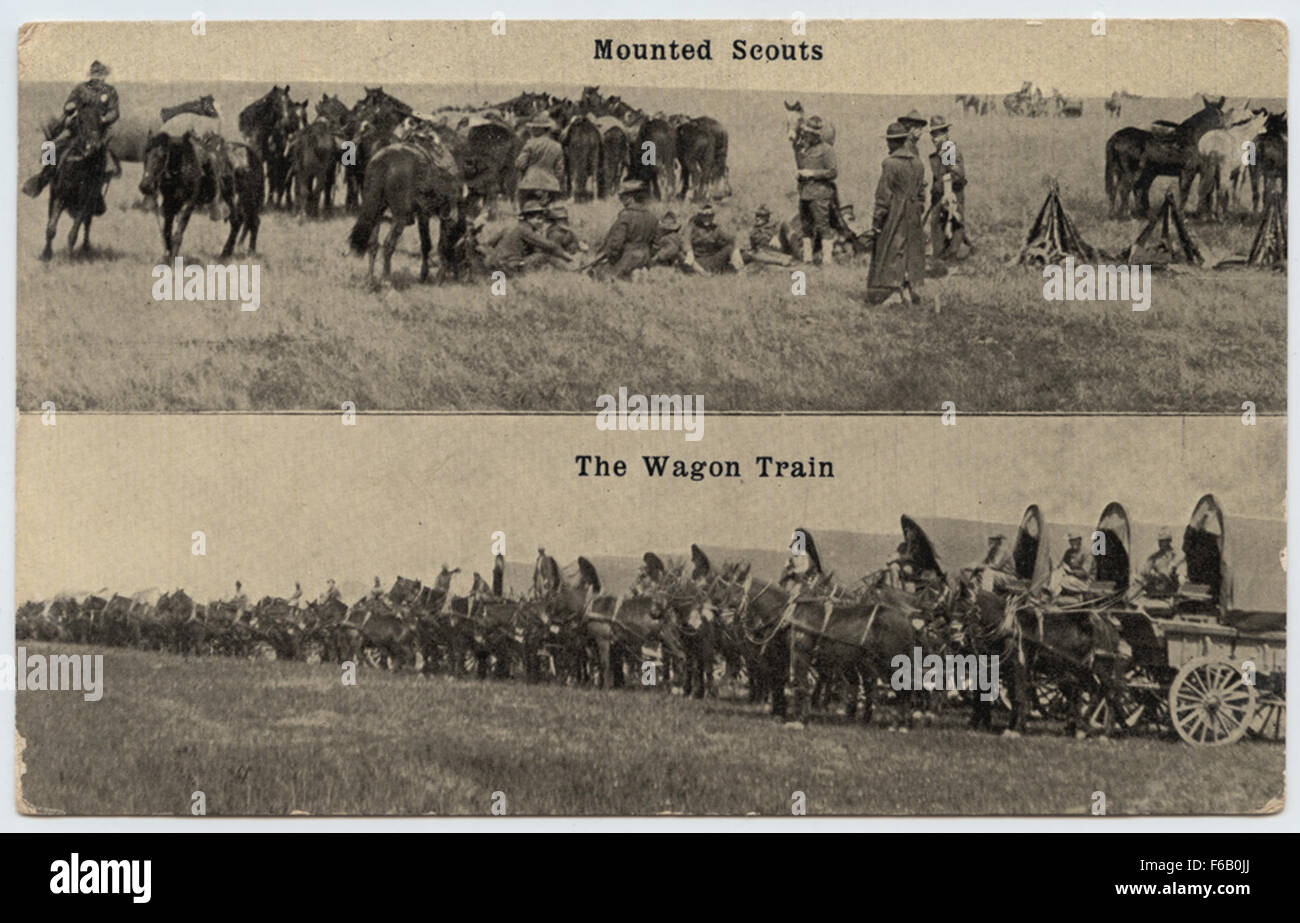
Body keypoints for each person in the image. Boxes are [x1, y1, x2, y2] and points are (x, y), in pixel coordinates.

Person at [23, 60, 120, 211]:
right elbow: (69, 103)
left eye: (101, 75)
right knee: (53, 144)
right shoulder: (80, 89)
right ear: (91, 75)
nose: (98, 78)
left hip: (99, 129)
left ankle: (97, 193)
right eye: (95, 75)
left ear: (104, 76)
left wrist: (104, 119)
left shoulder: (110, 91)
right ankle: (43, 177)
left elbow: (114, 111)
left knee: (107, 159)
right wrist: (69, 106)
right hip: (78, 126)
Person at [866, 122, 927, 306]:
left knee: (892, 250)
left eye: (889, 141)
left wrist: (877, 220)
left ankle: (894, 291)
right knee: (910, 250)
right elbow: (922, 192)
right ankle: (908, 289)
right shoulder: (918, 163)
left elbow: (883, 196)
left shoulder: (890, 164)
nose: (888, 145)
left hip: (895, 213)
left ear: (894, 143)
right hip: (914, 213)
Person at [794, 115, 838, 265]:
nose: (805, 135)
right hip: (805, 193)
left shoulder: (827, 150)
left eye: (808, 133)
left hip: (820, 194)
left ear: (815, 134)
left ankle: (827, 260)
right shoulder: (805, 149)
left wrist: (812, 173)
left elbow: (833, 172)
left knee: (823, 226)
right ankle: (807, 258)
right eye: (805, 132)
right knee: (805, 227)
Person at [484, 203, 575, 273]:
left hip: (496, 266)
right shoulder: (525, 230)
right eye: (538, 219)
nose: (541, 222)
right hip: (510, 267)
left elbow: (488, 244)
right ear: (528, 218)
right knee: (545, 256)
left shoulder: (509, 228)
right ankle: (572, 271)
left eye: (542, 219)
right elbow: (550, 246)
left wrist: (493, 258)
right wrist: (570, 258)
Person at [927, 115, 970, 261]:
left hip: (951, 193)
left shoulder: (948, 149)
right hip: (940, 193)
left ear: (946, 133)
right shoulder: (941, 151)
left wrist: (947, 191)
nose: (934, 138)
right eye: (932, 134)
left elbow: (955, 174)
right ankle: (943, 254)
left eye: (938, 134)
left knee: (954, 222)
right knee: (939, 223)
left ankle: (952, 255)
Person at [596, 180, 658, 278]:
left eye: (622, 197)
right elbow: (656, 244)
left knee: (600, 272)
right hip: (646, 257)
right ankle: (640, 271)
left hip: (628, 256)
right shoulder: (652, 217)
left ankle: (631, 274)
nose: (621, 200)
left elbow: (616, 244)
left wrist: (610, 257)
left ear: (630, 198)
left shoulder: (626, 216)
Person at [515, 116, 565, 209]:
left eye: (535, 127)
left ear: (542, 129)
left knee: (524, 214)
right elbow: (560, 170)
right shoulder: (557, 146)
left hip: (529, 184)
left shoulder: (530, 144)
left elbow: (519, 164)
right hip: (551, 186)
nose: (532, 129)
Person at [687, 204, 742, 273]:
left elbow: (730, 238)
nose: (707, 218)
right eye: (704, 216)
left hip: (712, 259)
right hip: (697, 261)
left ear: (713, 217)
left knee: (730, 248)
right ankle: (705, 272)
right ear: (700, 216)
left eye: (710, 216)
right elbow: (685, 239)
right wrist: (689, 251)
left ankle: (740, 272)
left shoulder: (716, 228)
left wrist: (736, 249)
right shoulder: (693, 227)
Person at [1140, 528, 1183, 595]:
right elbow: (1144, 572)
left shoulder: (1178, 555)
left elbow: (1181, 575)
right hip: (1159, 589)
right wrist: (1151, 574)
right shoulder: (1154, 557)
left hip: (1174, 590)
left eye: (1163, 541)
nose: (1160, 543)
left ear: (1169, 541)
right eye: (1159, 541)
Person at [1050, 532, 1093, 598]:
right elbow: (1062, 564)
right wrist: (1060, 567)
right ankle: (1051, 595)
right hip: (1071, 577)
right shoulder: (1069, 552)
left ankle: (1052, 596)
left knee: (1065, 580)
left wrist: (1071, 571)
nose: (1072, 543)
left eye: (1074, 540)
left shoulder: (1087, 553)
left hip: (1084, 581)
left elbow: (1085, 573)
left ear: (1079, 540)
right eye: (1071, 541)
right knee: (1056, 574)